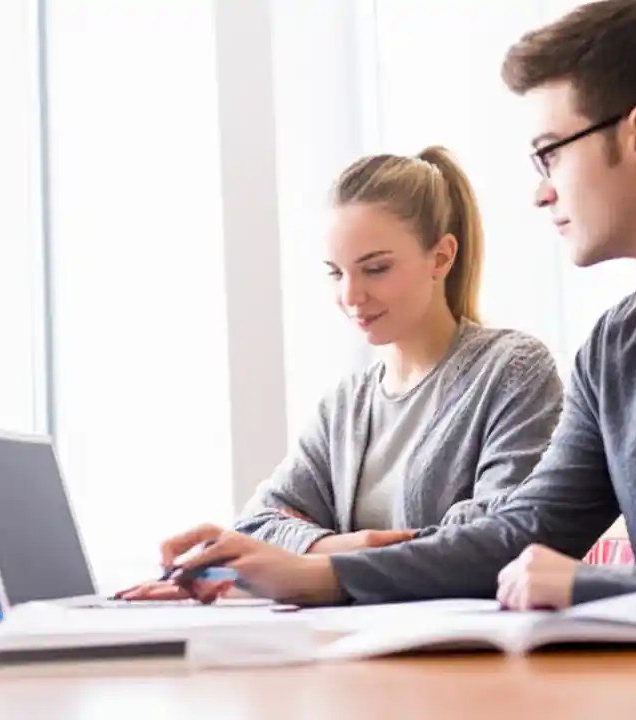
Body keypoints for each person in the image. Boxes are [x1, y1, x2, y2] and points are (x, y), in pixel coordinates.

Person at [141, 0, 636, 611]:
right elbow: (523, 531)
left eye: (550, 153)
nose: (539, 189)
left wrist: (598, 586)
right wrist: (318, 575)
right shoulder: (617, 346)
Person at [118, 146, 562, 601]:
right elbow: (257, 524)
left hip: (463, 657)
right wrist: (346, 546)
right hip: (355, 650)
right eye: (335, 273)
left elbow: (496, 537)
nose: (351, 296)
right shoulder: (346, 406)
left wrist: (312, 565)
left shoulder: (512, 370)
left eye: (376, 268)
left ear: (442, 257)